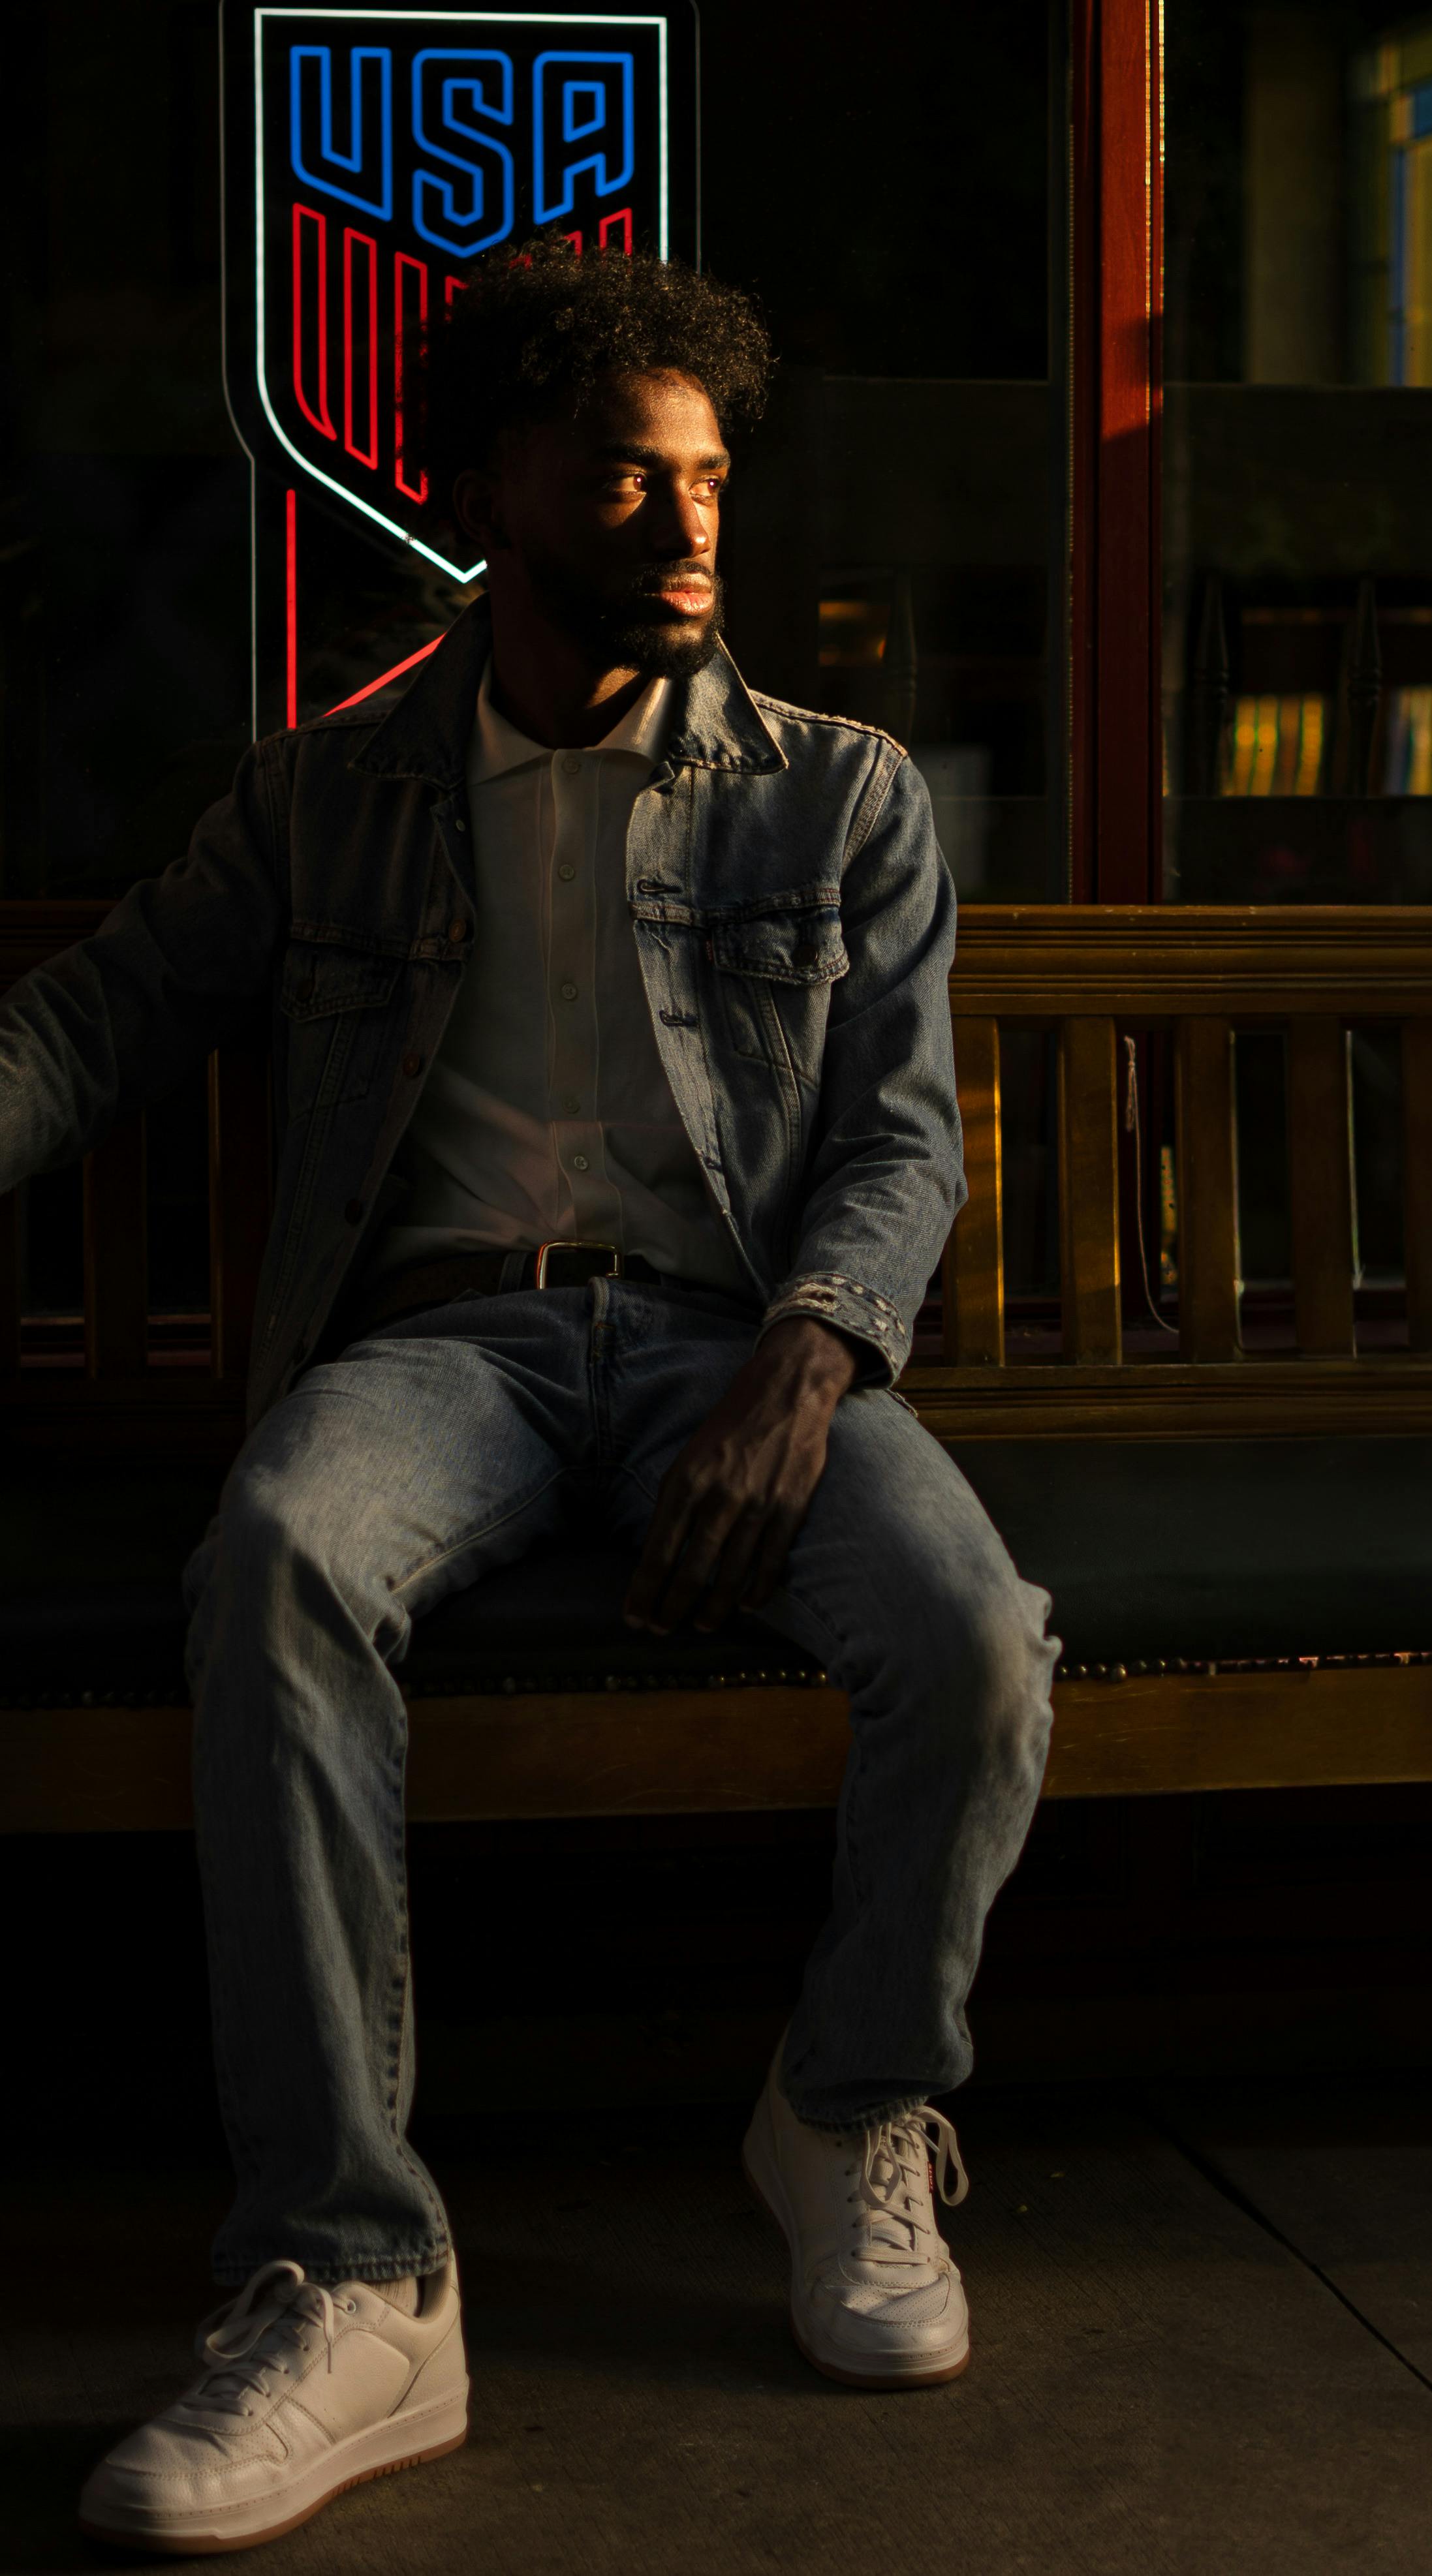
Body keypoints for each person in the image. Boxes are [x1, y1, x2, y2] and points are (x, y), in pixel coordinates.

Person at [0, 239, 1058, 2556]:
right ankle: (360, 2271)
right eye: (625, 480)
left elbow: (900, 1131)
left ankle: (846, 2108)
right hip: (447, 1349)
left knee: (977, 1634)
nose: (691, 528)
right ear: (493, 490)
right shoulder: (333, 792)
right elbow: (91, 1024)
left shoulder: (839, 799)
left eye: (706, 481)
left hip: (735, 1340)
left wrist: (814, 1345)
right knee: (274, 1558)